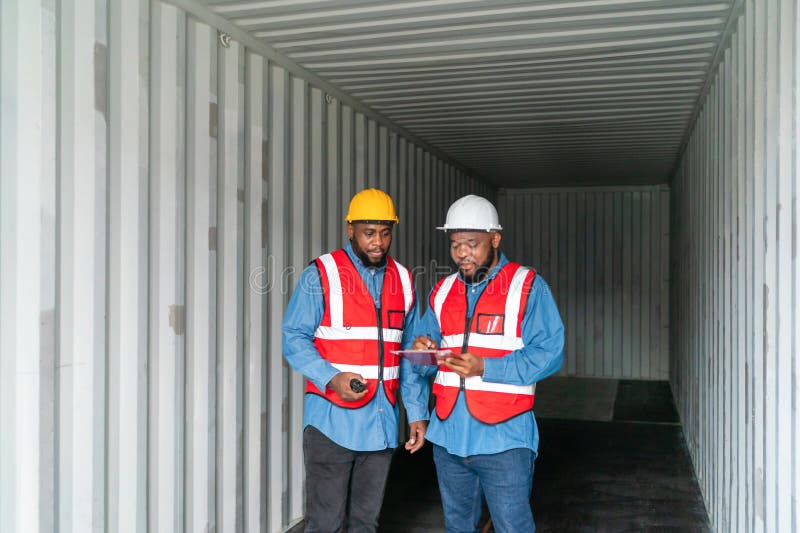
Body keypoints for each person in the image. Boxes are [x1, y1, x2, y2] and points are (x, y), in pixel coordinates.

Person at [410, 194, 564, 533]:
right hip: (449, 437)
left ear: (495, 239)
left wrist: (487, 368)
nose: (462, 253)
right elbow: (420, 362)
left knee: (512, 526)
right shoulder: (442, 291)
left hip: (504, 438)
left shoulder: (527, 287)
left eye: (472, 244)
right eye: (455, 245)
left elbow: (550, 352)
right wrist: (421, 350)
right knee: (457, 525)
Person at [282, 188, 430, 533]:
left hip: (381, 424)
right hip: (331, 423)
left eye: (385, 232)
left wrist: (417, 411)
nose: (377, 242)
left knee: (366, 523)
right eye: (368, 233)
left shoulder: (405, 280)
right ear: (350, 230)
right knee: (326, 524)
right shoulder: (322, 274)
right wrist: (330, 377)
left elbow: (408, 353)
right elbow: (294, 337)